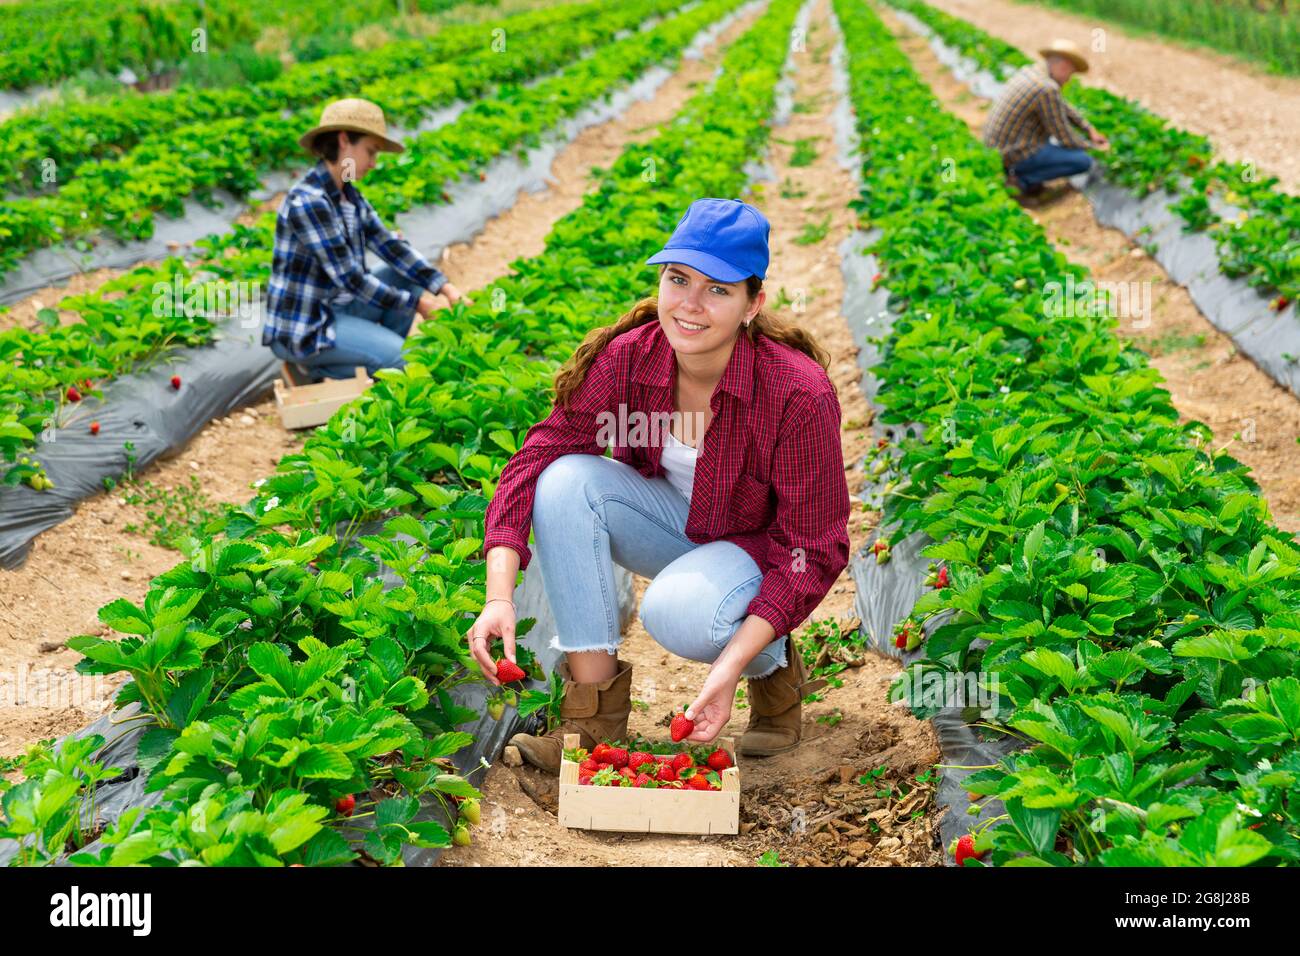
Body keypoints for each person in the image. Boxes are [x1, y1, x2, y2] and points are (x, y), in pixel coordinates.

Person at [466, 198, 850, 774]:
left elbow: (811, 549)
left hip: (757, 550)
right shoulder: (631, 360)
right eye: (678, 279)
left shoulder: (796, 393)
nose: (690, 305)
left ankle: (771, 669)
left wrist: (725, 671)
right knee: (565, 479)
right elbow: (536, 457)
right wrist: (499, 596)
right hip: (675, 523)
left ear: (753, 304)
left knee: (677, 613)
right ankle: (591, 720)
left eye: (718, 289)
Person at [264, 97, 472, 381]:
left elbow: (390, 246)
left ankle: (373, 358)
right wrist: (419, 304)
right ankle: (313, 368)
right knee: (402, 360)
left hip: (338, 306)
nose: (374, 164)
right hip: (307, 324)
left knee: (404, 275)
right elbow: (353, 279)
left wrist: (444, 288)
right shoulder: (309, 202)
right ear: (343, 141)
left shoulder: (348, 195)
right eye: (370, 152)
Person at [983, 39, 1110, 198]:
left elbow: (1062, 106)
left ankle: (1022, 175)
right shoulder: (1046, 88)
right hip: (1013, 154)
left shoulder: (1032, 72)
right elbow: (1063, 136)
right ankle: (1020, 181)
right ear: (1064, 66)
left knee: (1054, 145)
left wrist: (1088, 129)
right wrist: (1093, 148)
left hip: (998, 149)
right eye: (1070, 74)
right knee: (1083, 161)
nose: (1069, 80)